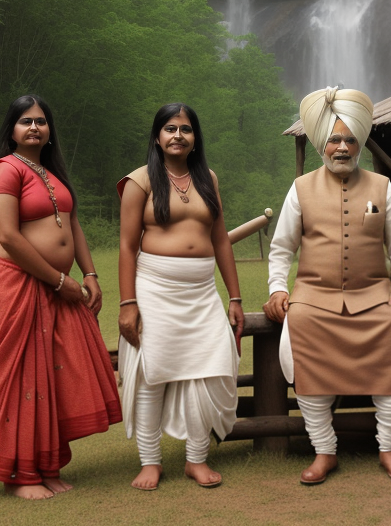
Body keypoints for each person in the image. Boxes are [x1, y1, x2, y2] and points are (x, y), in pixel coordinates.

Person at [0, 95, 121, 501]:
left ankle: (46, 466)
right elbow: (9, 236)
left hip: (58, 284)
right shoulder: (5, 170)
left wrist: (89, 274)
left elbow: (73, 224)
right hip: (18, 285)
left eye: (41, 121)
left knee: (52, 375)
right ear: (11, 129)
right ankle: (19, 474)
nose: (34, 128)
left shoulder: (51, 172)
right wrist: (57, 281)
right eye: (25, 121)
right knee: (21, 378)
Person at [263, 87, 391, 485]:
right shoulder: (300, 189)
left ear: (360, 143)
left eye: (350, 140)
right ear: (321, 145)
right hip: (314, 300)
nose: (343, 147)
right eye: (335, 139)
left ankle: (390, 447)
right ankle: (324, 451)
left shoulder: (383, 188)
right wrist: (279, 289)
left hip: (375, 299)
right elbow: (281, 249)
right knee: (307, 351)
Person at [117, 103, 244, 491]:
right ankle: (150, 461)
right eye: (170, 129)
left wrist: (234, 297)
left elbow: (220, 239)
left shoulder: (208, 178)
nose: (178, 135)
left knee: (206, 371)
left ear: (194, 138)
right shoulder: (139, 181)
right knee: (153, 373)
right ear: (157, 136)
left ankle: (196, 459)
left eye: (185, 129)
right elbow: (126, 246)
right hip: (155, 289)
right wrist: (128, 304)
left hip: (202, 293)